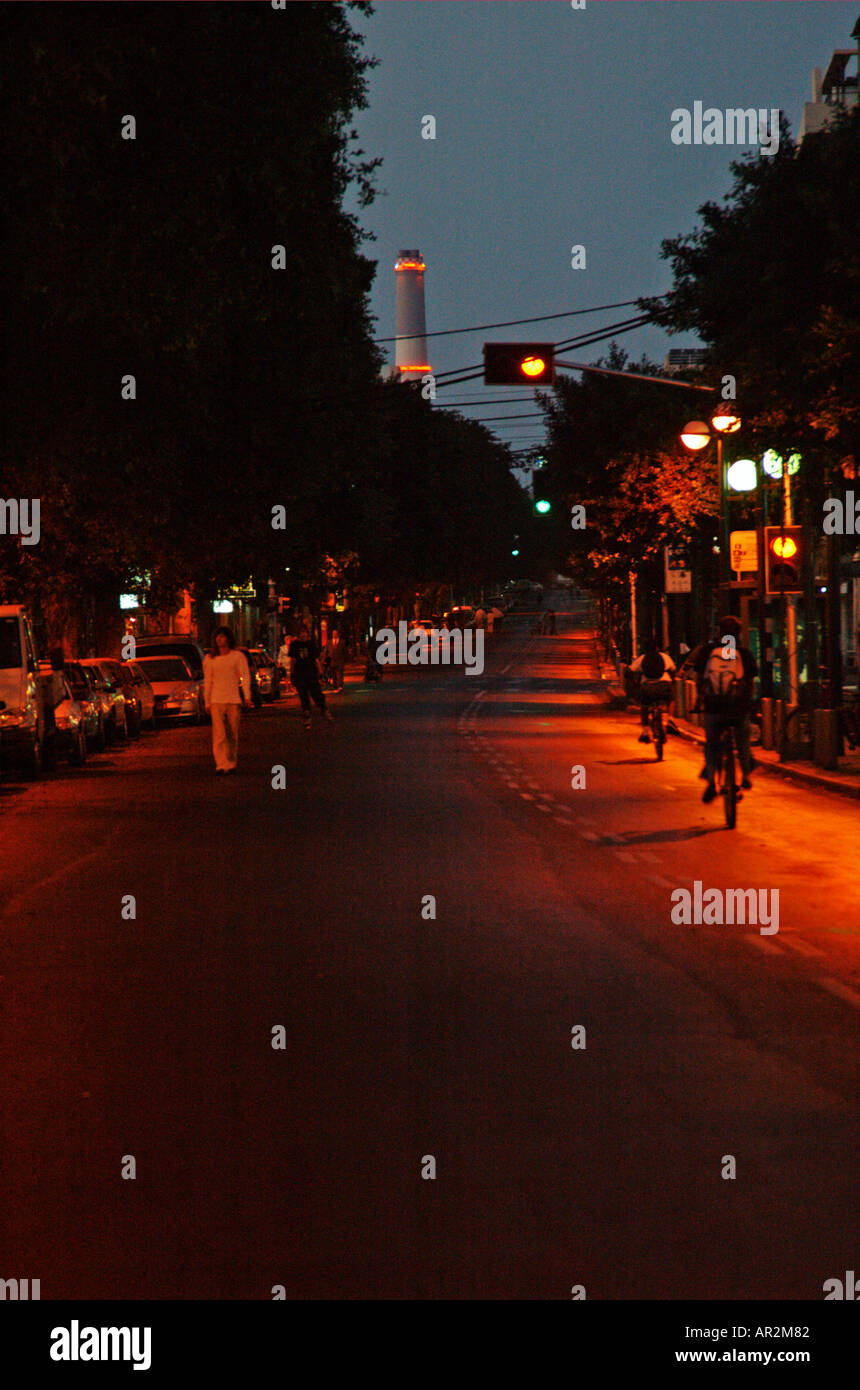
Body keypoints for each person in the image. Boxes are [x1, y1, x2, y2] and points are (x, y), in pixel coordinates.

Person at [695, 614, 757, 803]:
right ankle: (745, 775)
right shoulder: (744, 654)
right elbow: (750, 683)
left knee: (711, 745)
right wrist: (748, 704)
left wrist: (701, 700)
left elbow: (700, 680)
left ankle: (712, 782)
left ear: (718, 631)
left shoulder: (707, 652)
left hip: (714, 708)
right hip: (738, 710)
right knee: (743, 742)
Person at [203, 627, 252, 774]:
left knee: (232, 733)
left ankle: (231, 762)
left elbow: (245, 676)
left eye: (222, 637)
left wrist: (247, 696)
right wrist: (207, 701)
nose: (219, 640)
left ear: (228, 639)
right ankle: (220, 763)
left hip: (233, 699)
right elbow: (208, 680)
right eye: (217, 637)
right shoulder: (210, 659)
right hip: (216, 700)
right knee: (219, 734)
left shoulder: (237, 657)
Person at [630, 636, 676, 742]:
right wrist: (672, 682)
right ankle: (670, 720)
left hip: (648, 688)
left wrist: (635, 685)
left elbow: (630, 672)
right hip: (664, 686)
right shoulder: (664, 657)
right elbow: (673, 670)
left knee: (644, 706)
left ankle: (645, 731)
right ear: (657, 647)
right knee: (672, 698)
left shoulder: (642, 658)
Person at [289, 623, 332, 728]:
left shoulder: (311, 644)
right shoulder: (294, 645)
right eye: (301, 633)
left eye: (304, 632)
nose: (303, 635)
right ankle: (307, 714)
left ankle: (323, 709)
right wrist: (291, 673)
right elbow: (293, 660)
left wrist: (320, 672)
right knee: (303, 695)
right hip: (300, 673)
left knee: (316, 693)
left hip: (311, 672)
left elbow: (316, 659)